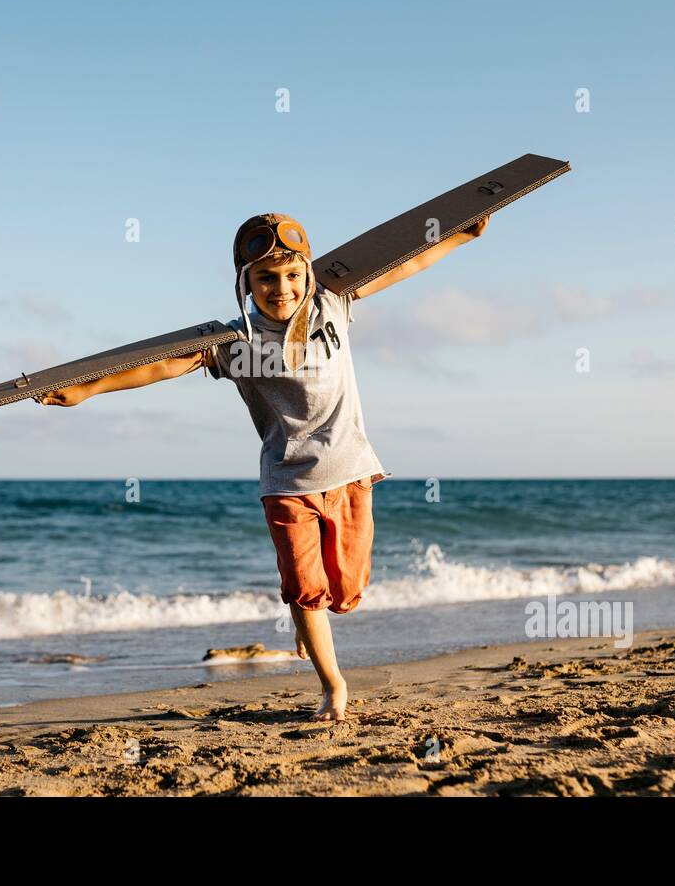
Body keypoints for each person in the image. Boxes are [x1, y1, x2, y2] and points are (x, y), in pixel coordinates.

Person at [34, 211, 489, 720]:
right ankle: (332, 683)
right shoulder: (236, 343)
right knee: (306, 588)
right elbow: (159, 365)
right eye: (267, 278)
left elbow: (403, 266)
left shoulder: (332, 304)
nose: (282, 288)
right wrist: (88, 389)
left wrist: (458, 237)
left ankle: (304, 616)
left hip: (351, 469)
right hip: (286, 481)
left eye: (292, 275)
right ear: (245, 283)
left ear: (308, 274)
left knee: (347, 592)